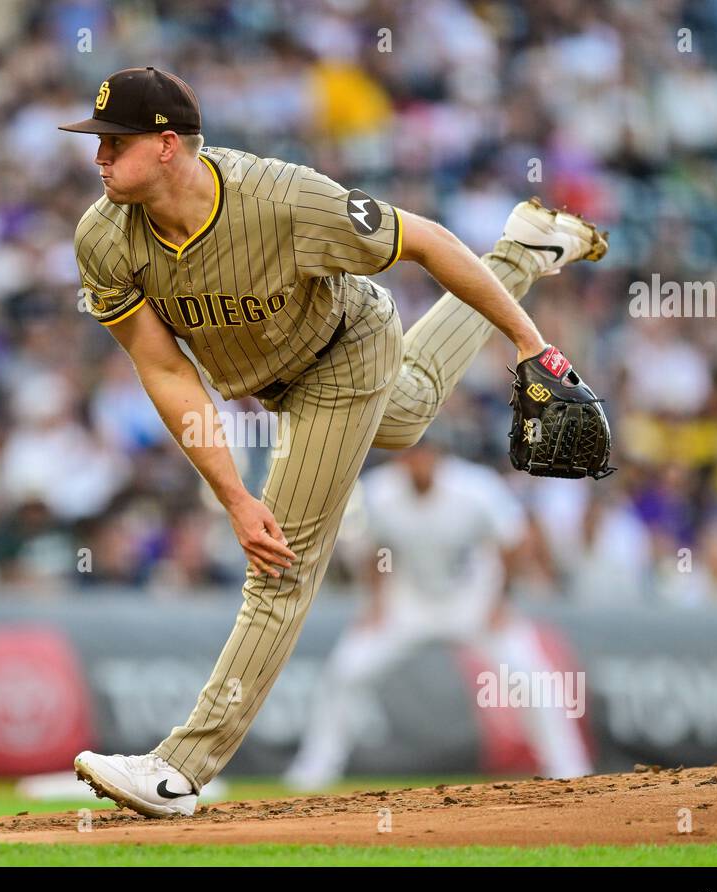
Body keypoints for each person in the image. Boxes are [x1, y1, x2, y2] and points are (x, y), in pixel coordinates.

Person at [60, 67, 607, 817]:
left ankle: (180, 770)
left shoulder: (281, 199)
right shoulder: (103, 237)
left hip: (343, 350)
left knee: (279, 563)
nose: (98, 159)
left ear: (165, 146)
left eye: (112, 143)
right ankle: (523, 249)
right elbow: (163, 369)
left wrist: (531, 345)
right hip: (277, 382)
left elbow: (428, 240)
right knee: (409, 412)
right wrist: (231, 494)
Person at [283, 444, 594, 790]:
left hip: (473, 598)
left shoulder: (476, 487)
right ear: (401, 458)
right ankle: (314, 771)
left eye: (426, 453)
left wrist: (500, 600)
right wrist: (375, 602)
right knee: (347, 670)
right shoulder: (379, 491)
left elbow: (514, 543)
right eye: (412, 454)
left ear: (441, 456)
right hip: (408, 600)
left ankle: (569, 767)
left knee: (530, 674)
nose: (419, 462)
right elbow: (373, 550)